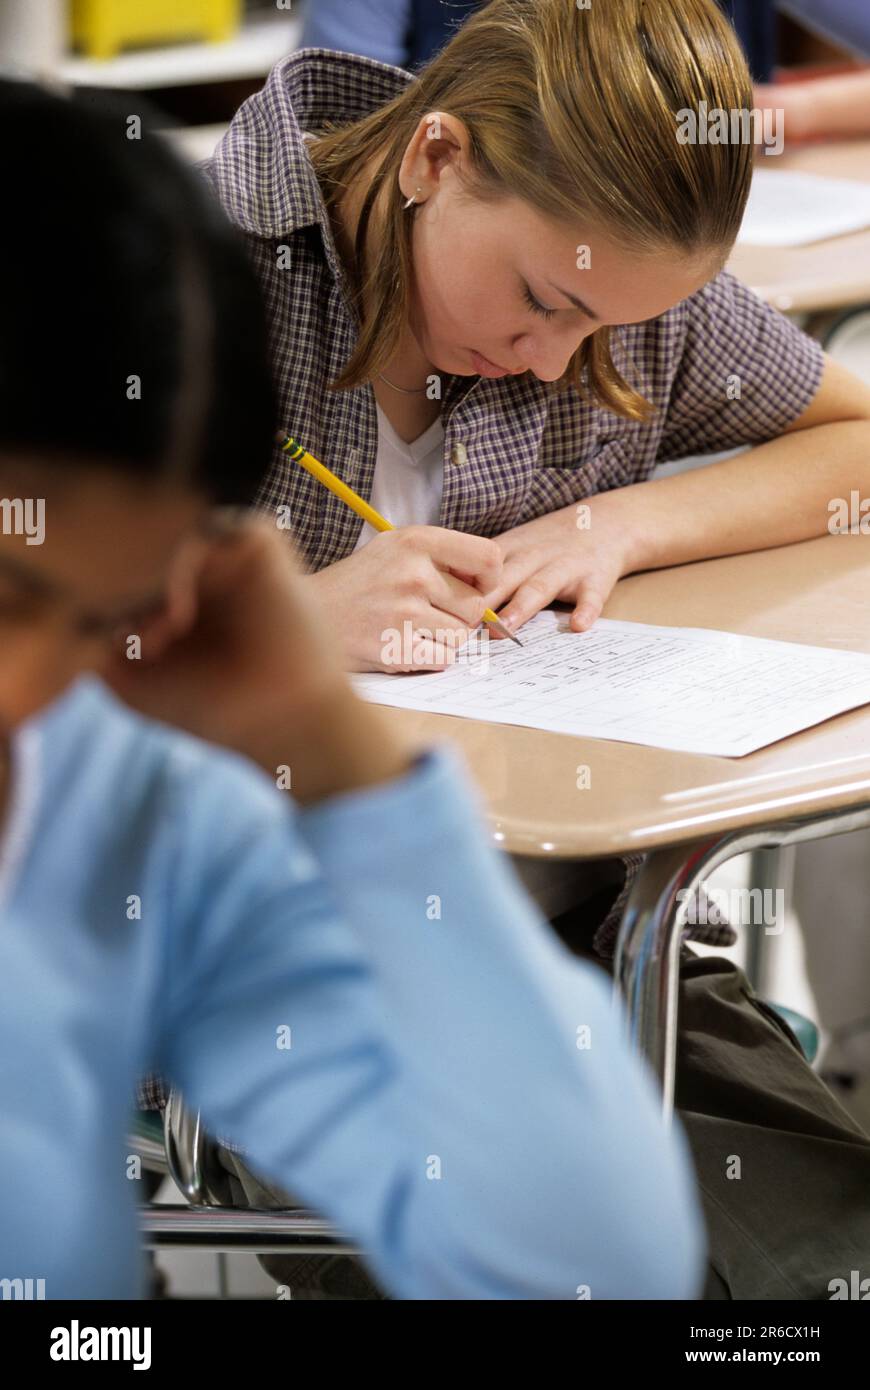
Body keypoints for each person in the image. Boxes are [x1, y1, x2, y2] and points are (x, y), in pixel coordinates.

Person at [200, 0, 870, 1299]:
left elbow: (856, 442)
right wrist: (290, 620)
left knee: (828, 1266)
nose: (556, 355)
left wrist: (615, 520)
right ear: (433, 157)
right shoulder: (180, 277)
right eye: (541, 302)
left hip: (578, 944)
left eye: (598, 328)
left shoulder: (619, 296)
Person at [0, 77, 704, 1301]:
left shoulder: (125, 806)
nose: (30, 690)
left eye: (103, 619)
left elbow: (598, 1270)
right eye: (10, 592)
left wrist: (343, 765)